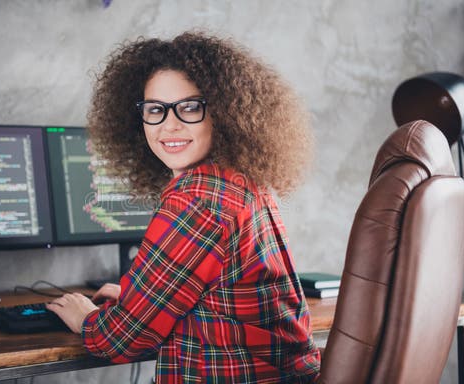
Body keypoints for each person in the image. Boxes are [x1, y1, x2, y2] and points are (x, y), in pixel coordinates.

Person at [47, 31, 320, 383]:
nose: (169, 124)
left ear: (222, 113)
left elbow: (118, 340)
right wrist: (134, 299)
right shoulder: (239, 182)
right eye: (155, 110)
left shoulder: (198, 199)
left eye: (190, 107)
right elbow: (209, 296)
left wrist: (86, 316)